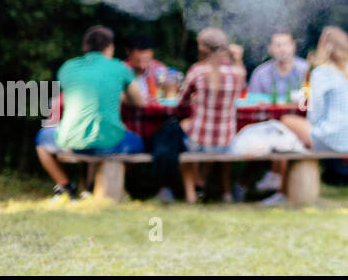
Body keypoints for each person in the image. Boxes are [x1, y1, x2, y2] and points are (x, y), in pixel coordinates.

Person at [35, 25, 146, 200]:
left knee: (41, 139)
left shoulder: (67, 68)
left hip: (71, 138)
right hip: (109, 141)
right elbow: (139, 102)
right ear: (109, 47)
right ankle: (102, 186)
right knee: (138, 143)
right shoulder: (119, 67)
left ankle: (65, 186)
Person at [262, 26, 348, 206]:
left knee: (287, 121)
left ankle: (277, 181)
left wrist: (308, 130)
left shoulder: (322, 72)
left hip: (330, 138)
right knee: (295, 138)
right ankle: (281, 189)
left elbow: (314, 113)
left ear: (325, 46)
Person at [176, 27, 245, 203]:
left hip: (200, 142)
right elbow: (242, 94)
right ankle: (225, 192)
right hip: (227, 143)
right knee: (213, 139)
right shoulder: (237, 72)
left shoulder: (197, 71)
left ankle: (192, 193)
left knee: (184, 130)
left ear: (202, 48)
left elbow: (180, 103)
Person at [248, 29, 310, 193]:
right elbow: (251, 103)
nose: (282, 49)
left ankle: (277, 180)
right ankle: (275, 182)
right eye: (277, 45)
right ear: (270, 49)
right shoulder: (260, 73)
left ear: (293, 47)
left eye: (285, 44)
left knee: (286, 130)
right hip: (267, 127)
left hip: (300, 127)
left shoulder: (306, 70)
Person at [123, 36, 171, 103]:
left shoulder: (158, 68)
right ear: (129, 53)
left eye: (146, 60)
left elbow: (169, 91)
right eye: (138, 60)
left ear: (152, 53)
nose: (142, 65)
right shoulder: (121, 70)